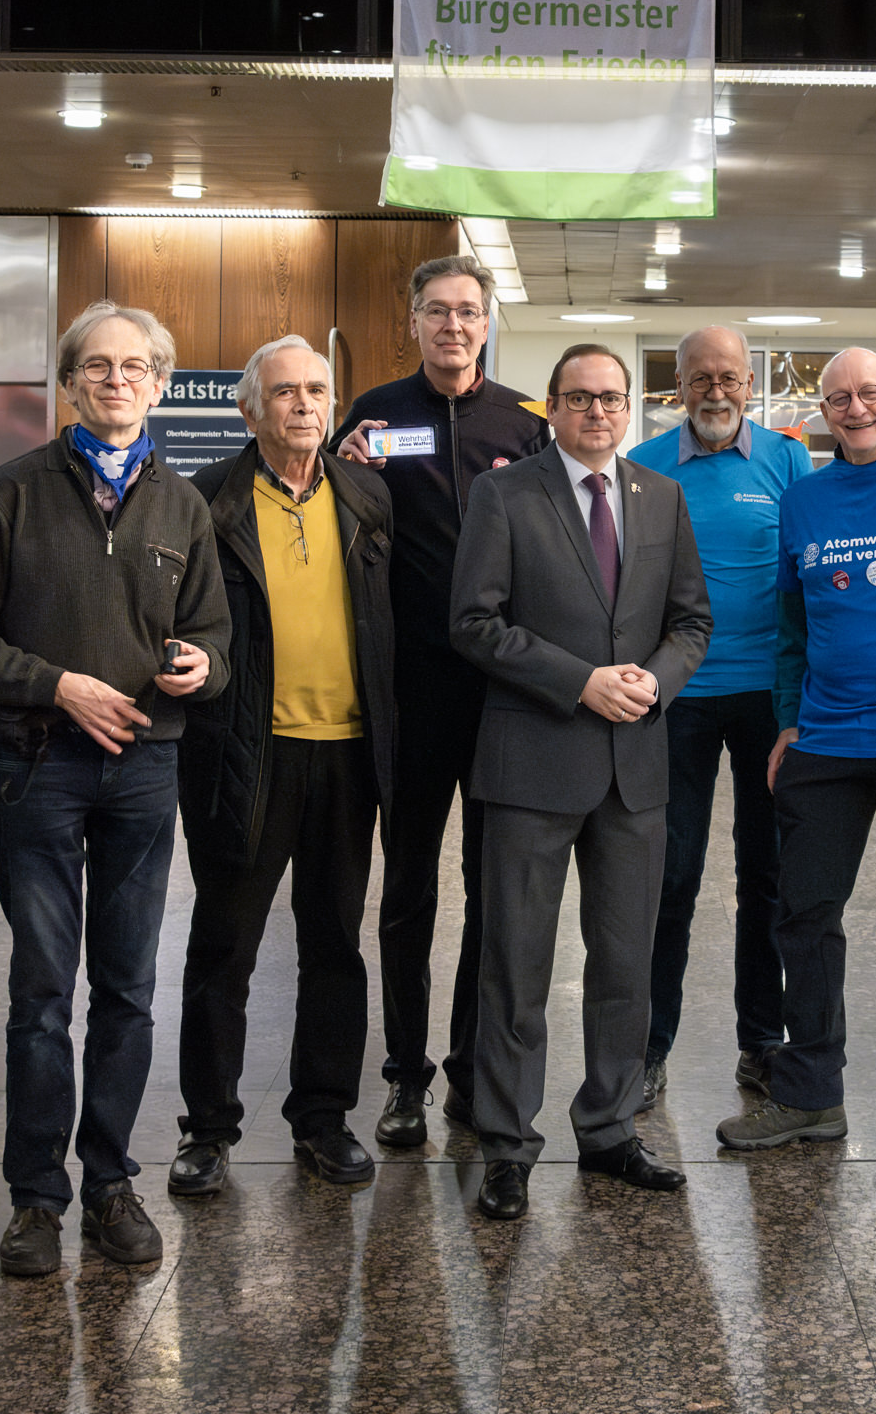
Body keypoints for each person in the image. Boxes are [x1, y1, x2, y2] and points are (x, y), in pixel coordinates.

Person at [0, 300, 230, 1278]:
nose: (115, 381)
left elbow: (216, 637)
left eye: (134, 367)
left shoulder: (184, 506)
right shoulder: (9, 494)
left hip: (146, 765)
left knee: (131, 990)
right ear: (68, 383)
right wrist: (54, 683)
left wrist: (200, 665)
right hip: (38, 765)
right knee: (43, 990)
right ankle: (35, 1199)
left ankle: (108, 1180)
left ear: (161, 383)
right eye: (95, 367)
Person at [449, 345, 712, 1220]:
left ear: (629, 408)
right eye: (579, 398)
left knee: (626, 963)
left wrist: (654, 681)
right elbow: (474, 624)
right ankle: (507, 1145)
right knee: (515, 964)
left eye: (611, 398)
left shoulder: (660, 497)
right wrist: (580, 681)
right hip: (531, 765)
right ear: (552, 408)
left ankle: (608, 1128)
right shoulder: (504, 495)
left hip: (633, 770)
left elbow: (691, 622)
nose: (597, 411)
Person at [716, 348, 876, 1160]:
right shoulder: (805, 499)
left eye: (870, 394)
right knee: (804, 914)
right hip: (825, 737)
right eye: (838, 398)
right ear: (822, 410)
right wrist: (788, 720)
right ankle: (810, 1092)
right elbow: (790, 627)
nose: (855, 409)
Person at [168, 336, 398, 1200]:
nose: (304, 404)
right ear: (250, 408)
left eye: (317, 390)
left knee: (336, 943)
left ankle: (323, 1117)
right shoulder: (206, 502)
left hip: (347, 756)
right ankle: (209, 1129)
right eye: (286, 391)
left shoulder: (368, 496)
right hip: (244, 757)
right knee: (225, 946)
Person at [334, 255, 550, 1149]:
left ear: (487, 320)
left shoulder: (527, 423)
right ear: (413, 322)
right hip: (410, 694)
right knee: (409, 893)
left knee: (494, 891)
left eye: (468, 310)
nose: (453, 326)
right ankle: (403, 1077)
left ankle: (468, 1070)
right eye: (436, 312)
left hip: (502, 697)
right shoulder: (373, 418)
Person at [624, 326, 811, 1107]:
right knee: (669, 874)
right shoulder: (645, 466)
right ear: (680, 385)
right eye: (700, 378)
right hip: (679, 698)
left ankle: (762, 1042)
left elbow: (807, 572)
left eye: (728, 377)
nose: (715, 391)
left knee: (767, 876)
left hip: (769, 699)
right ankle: (648, 1046)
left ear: (750, 382)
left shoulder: (788, 460)